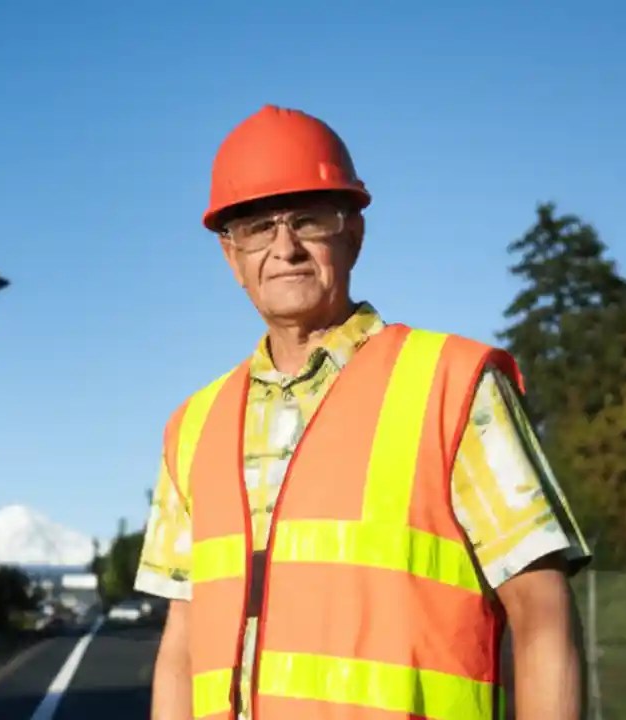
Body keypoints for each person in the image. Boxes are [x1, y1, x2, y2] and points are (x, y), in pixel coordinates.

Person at [137, 105, 590, 720]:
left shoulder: (453, 387)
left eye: (308, 220)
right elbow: (182, 646)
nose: (284, 248)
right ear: (230, 256)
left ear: (353, 232)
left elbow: (541, 612)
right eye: (257, 227)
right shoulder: (192, 427)